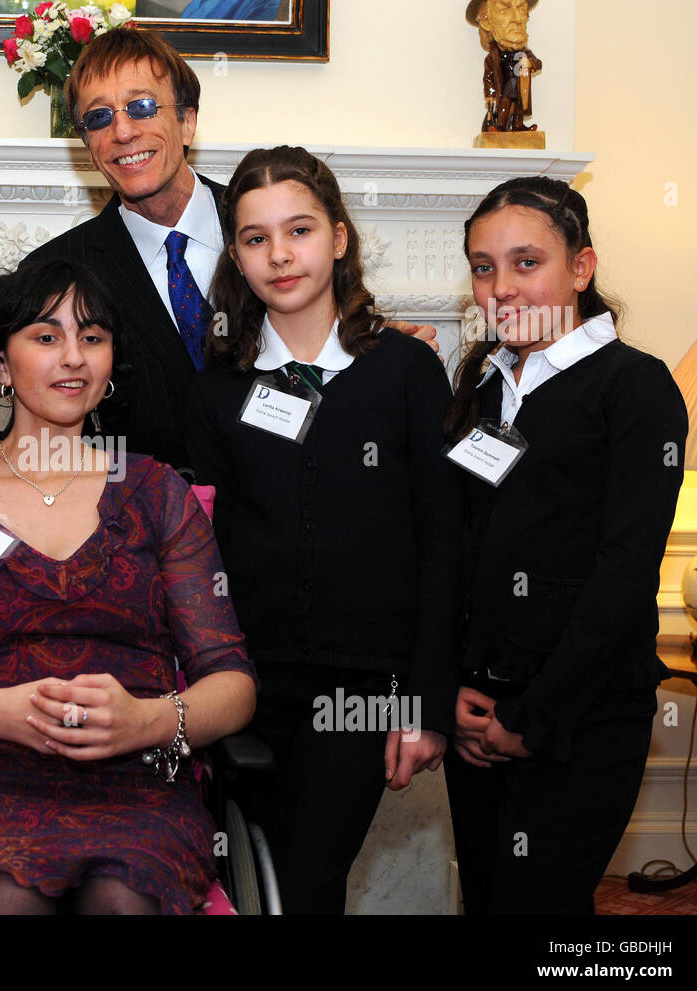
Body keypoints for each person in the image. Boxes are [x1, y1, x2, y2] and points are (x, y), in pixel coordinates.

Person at [0, 258, 257, 914]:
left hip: (136, 782)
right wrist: (1, 714)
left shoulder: (157, 493)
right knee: (5, 895)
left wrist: (146, 722)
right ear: (1, 363)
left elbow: (232, 682)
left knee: (123, 895)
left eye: (92, 337)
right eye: (45, 336)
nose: (73, 357)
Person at [0, 29, 438, 484]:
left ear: (187, 120)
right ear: (87, 144)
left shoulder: (268, 226)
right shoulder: (59, 271)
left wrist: (375, 346)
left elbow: (335, 338)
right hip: (135, 540)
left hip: (285, 521)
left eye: (142, 106)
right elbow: (30, 403)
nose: (122, 131)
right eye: (99, 117)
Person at [185, 146, 462, 914]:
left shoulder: (405, 370)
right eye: (255, 238)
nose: (279, 254)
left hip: (362, 688)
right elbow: (200, 552)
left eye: (299, 230)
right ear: (235, 255)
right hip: (240, 684)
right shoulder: (218, 389)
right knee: (244, 883)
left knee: (305, 885)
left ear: (339, 238)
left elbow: (443, 539)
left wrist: (426, 700)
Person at [442, 177, 688, 915]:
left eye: (527, 262)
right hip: (477, 710)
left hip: (581, 717)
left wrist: (532, 717)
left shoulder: (635, 387)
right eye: (483, 267)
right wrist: (454, 687)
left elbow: (624, 574)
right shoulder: (482, 387)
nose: (501, 288)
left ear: (580, 268)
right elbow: (455, 547)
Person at [466, 0, 542, 133]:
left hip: (520, 85)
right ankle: (500, 125)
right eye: (504, 10)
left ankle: (518, 126)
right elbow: (488, 76)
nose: (517, 19)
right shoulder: (494, 56)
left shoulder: (523, 53)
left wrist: (529, 63)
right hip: (507, 87)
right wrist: (490, 94)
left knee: (519, 107)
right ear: (486, 22)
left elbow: (537, 63)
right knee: (505, 104)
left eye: (521, 9)